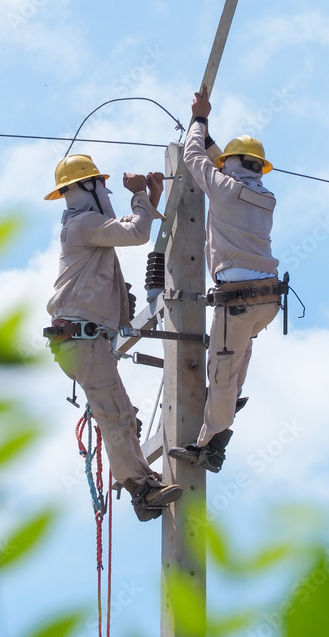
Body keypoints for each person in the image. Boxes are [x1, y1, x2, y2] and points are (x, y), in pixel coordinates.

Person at [43, 154, 181, 521]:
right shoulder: (84, 223)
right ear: (88, 186)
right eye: (100, 184)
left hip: (83, 341)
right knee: (115, 415)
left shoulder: (83, 226)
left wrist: (149, 200)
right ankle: (141, 489)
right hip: (82, 340)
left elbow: (130, 227)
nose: (106, 190)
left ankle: (143, 481)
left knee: (121, 416)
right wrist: (139, 195)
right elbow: (135, 232)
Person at [168, 88, 283, 473]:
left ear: (231, 164)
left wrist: (199, 119)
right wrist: (210, 130)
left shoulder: (221, 189)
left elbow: (194, 156)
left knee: (220, 368)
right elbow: (221, 164)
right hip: (266, 300)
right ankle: (228, 402)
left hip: (238, 301)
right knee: (237, 356)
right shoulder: (264, 198)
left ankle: (210, 444)